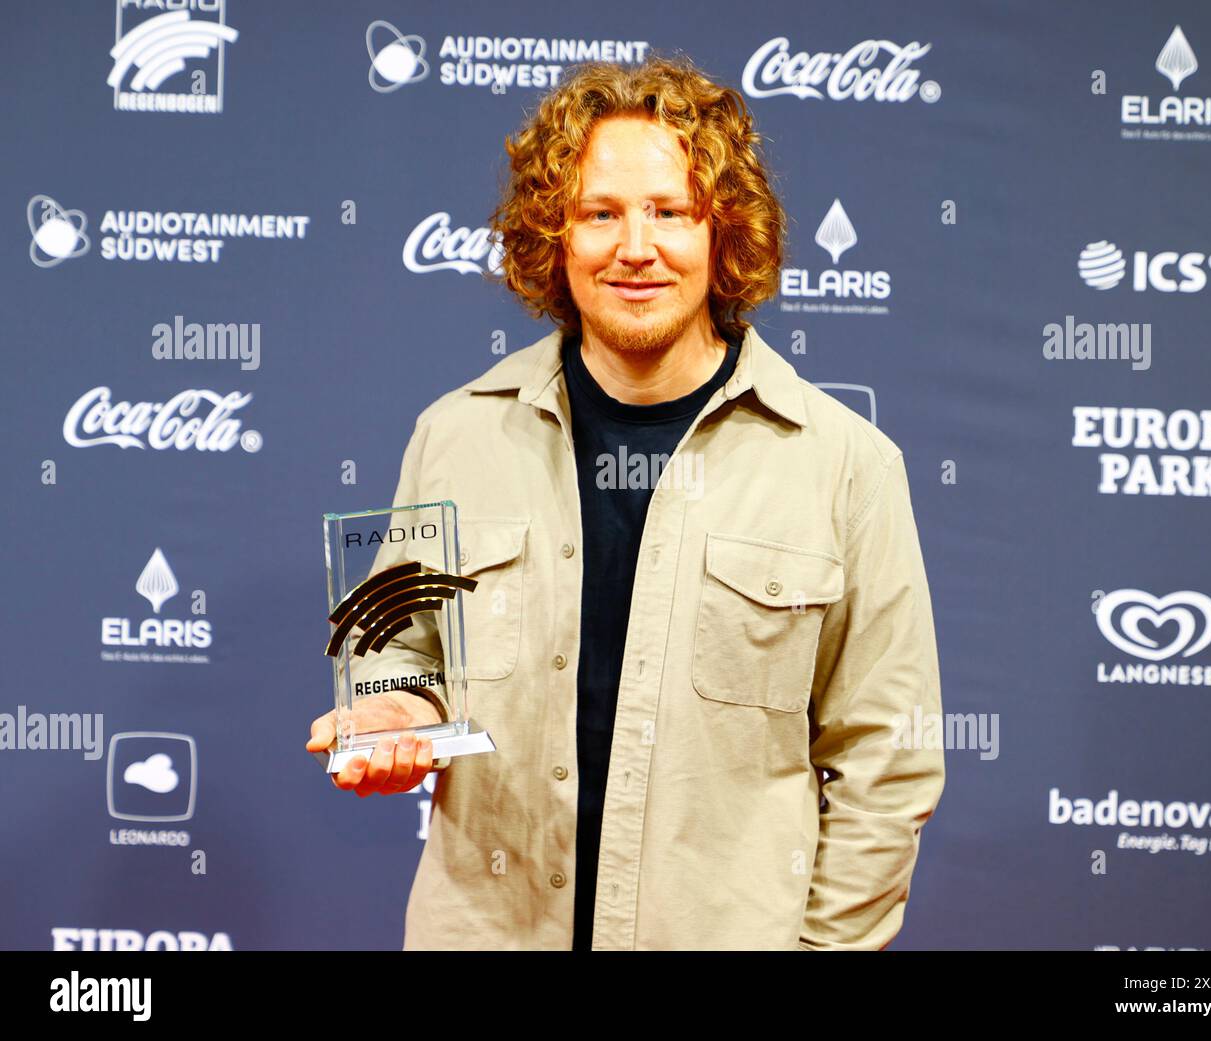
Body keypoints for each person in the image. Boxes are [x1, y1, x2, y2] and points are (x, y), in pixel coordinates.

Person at [306, 53, 945, 951]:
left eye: (670, 213)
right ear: (552, 237)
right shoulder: (455, 436)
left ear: (722, 234)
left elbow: (886, 758)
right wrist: (390, 710)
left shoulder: (846, 465)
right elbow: (397, 652)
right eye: (599, 213)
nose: (634, 248)